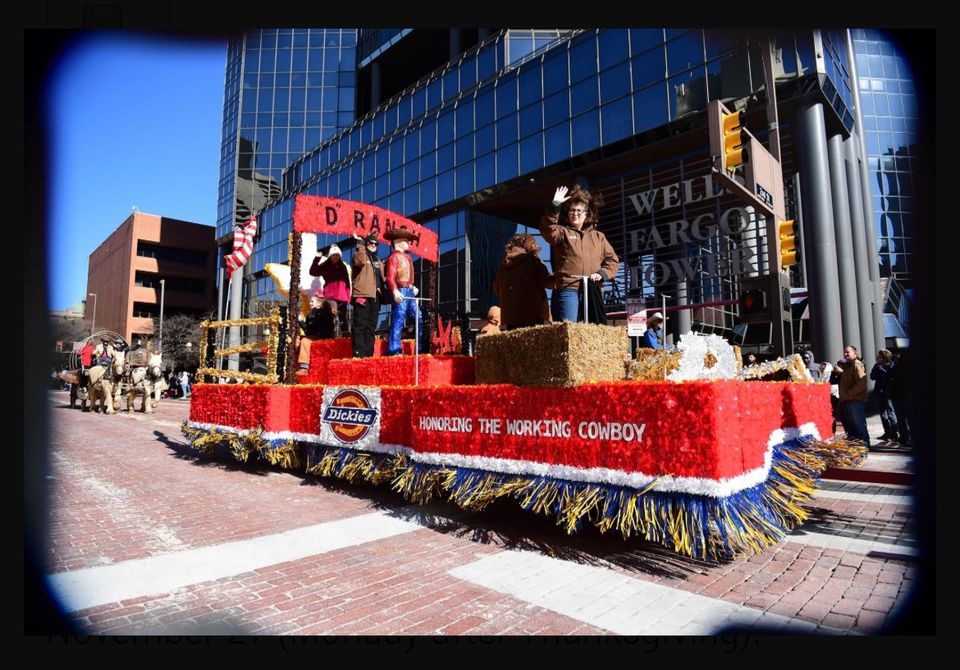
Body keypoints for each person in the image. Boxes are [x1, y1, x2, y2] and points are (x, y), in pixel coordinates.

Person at [539, 184, 619, 322]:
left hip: (592, 289)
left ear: (587, 213)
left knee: (593, 330)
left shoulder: (598, 236)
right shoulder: (562, 233)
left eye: (579, 211)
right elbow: (548, 230)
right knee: (570, 328)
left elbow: (612, 261)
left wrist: (601, 274)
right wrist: (555, 205)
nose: (575, 214)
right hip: (569, 287)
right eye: (571, 210)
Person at [492, 233, 552, 330]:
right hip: (533, 316)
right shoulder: (533, 261)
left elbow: (496, 289)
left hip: (509, 319)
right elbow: (546, 281)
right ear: (530, 245)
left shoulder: (503, 266)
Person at [384, 228, 423, 355]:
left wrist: (412, 287)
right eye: (406, 240)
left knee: (419, 317)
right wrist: (395, 291)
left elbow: (409, 275)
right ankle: (394, 350)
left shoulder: (408, 258)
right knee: (398, 318)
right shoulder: (394, 258)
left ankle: (420, 348)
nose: (408, 243)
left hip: (409, 291)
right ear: (397, 241)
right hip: (400, 290)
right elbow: (390, 277)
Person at [350, 232, 385, 358]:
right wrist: (360, 244)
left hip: (376, 297)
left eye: (376, 244)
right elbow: (359, 262)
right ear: (366, 243)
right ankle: (358, 354)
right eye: (371, 242)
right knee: (360, 325)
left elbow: (383, 277)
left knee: (371, 328)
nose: (374, 245)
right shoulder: (360, 255)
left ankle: (368, 356)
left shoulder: (378, 260)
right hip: (362, 294)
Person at [310, 244, 351, 336]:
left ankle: (345, 336)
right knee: (328, 316)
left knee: (342, 317)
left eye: (337, 255)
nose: (335, 257)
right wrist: (317, 258)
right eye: (333, 255)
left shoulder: (342, 266)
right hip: (330, 296)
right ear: (330, 256)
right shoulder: (326, 265)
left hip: (342, 296)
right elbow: (313, 271)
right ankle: (328, 335)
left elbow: (347, 281)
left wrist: (348, 295)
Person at [296, 294, 337, 376]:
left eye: (312, 301)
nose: (310, 303)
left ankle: (304, 367)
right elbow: (308, 330)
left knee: (305, 341)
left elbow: (324, 328)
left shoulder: (323, 313)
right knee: (296, 339)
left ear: (319, 303)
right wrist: (301, 322)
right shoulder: (310, 314)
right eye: (310, 301)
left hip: (322, 336)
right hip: (314, 335)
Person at [838, 345, 870, 448]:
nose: (845, 354)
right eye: (845, 352)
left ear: (855, 353)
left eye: (848, 352)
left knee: (859, 425)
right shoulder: (848, 366)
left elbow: (862, 383)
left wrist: (849, 393)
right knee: (851, 427)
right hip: (847, 400)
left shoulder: (857, 364)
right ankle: (856, 448)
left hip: (855, 400)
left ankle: (864, 446)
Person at [870, 348, 899, 442]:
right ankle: (887, 433)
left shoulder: (891, 365)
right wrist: (877, 366)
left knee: (891, 413)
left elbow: (890, 376)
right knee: (882, 414)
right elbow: (872, 377)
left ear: (884, 357)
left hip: (888, 393)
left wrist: (880, 368)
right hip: (879, 392)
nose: (877, 357)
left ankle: (894, 433)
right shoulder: (877, 365)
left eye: (879, 356)